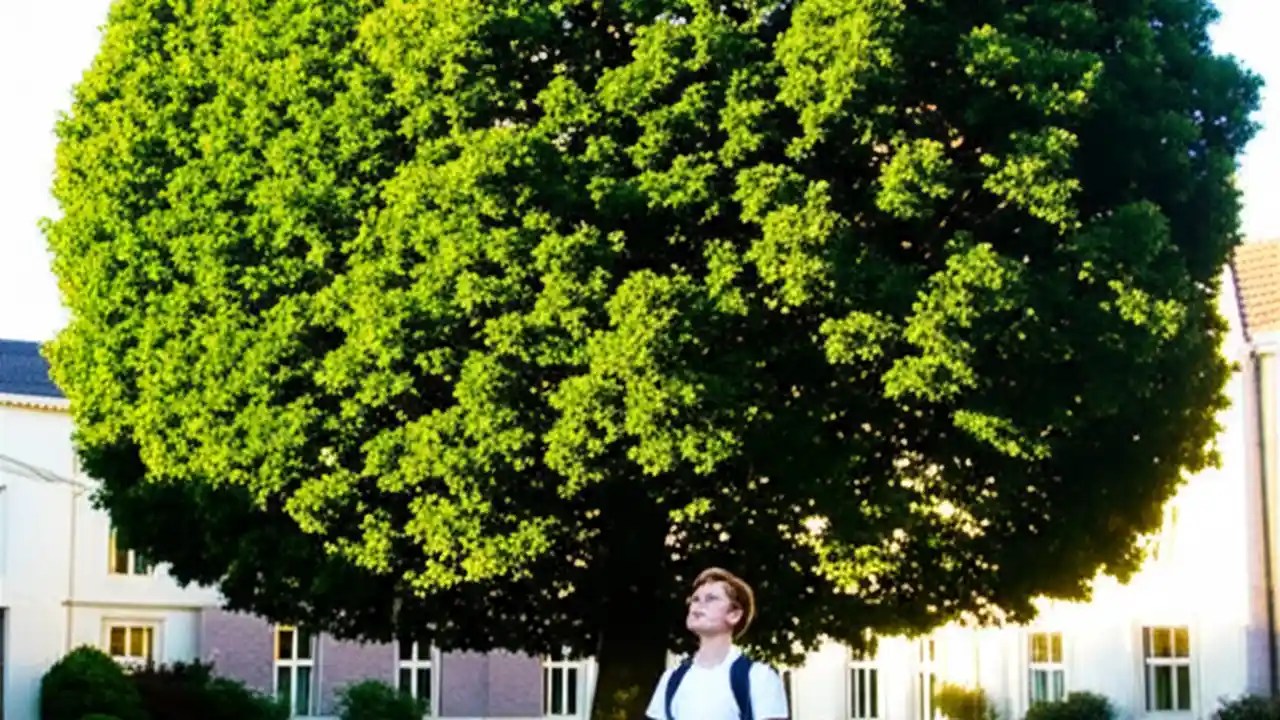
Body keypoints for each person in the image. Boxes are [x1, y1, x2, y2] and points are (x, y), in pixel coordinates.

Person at [645, 567, 790, 720]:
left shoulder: (759, 677)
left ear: (734, 615)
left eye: (711, 598)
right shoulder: (670, 680)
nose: (698, 605)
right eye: (695, 599)